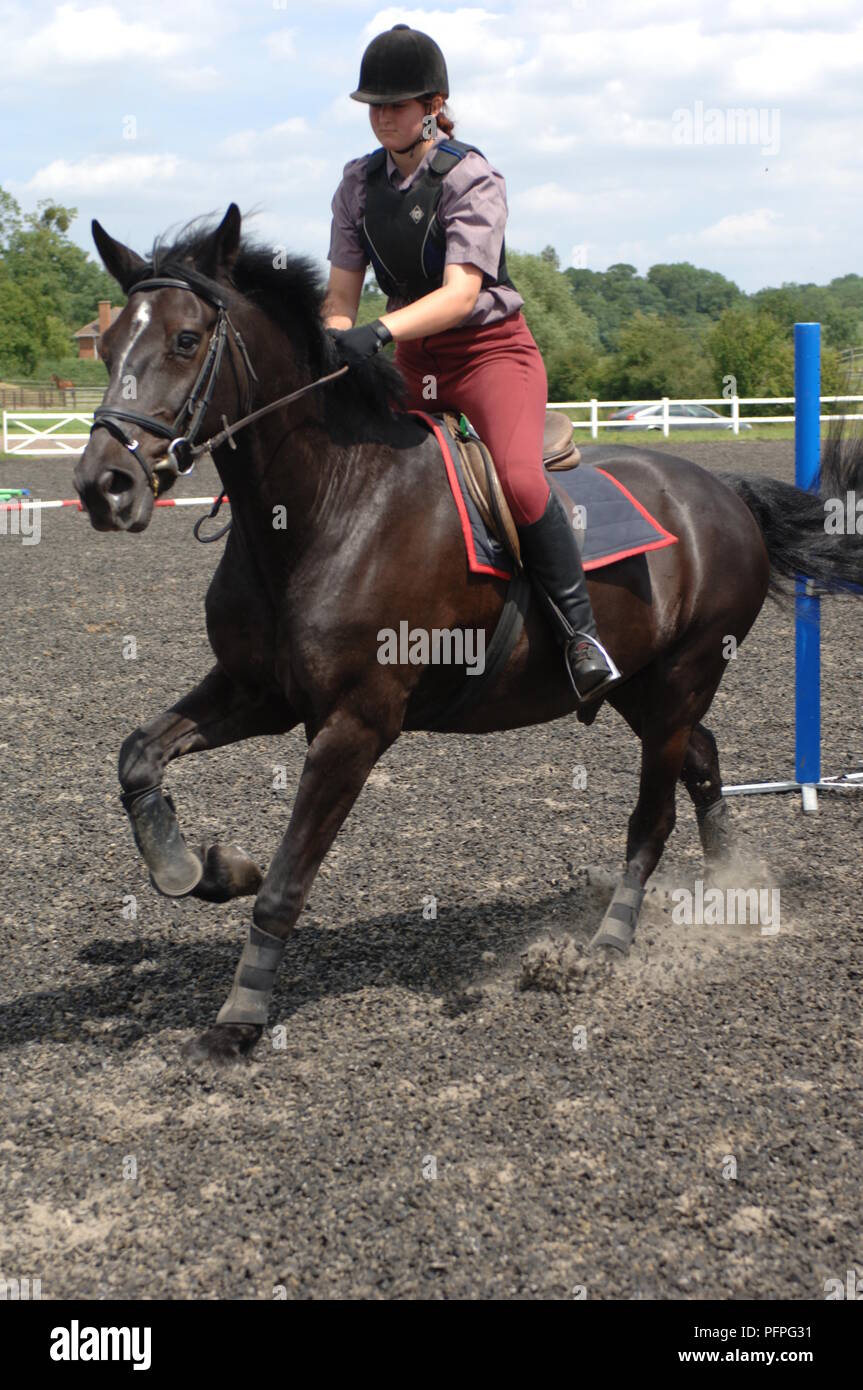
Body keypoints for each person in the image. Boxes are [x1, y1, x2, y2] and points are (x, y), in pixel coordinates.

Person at [323, 22, 620, 701]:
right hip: (409, 355)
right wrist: (340, 336)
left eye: (397, 104)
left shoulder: (472, 176)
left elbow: (460, 295)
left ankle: (580, 635)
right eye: (374, 105)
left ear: (434, 103)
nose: (383, 117)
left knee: (517, 479)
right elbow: (340, 295)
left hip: (489, 354)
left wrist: (376, 330)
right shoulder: (356, 184)